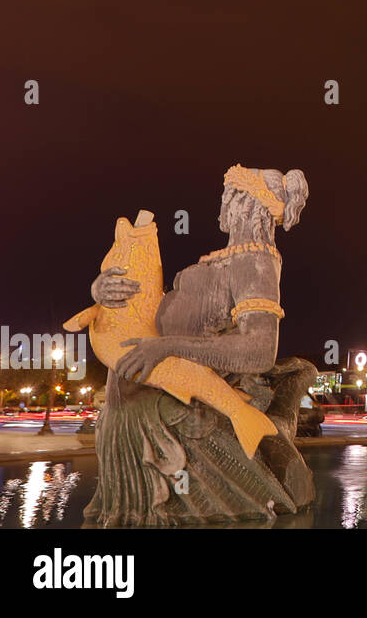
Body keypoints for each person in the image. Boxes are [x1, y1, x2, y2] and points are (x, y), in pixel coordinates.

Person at [84, 165, 317, 525]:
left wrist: (164, 348)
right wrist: (102, 291)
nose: (224, 204)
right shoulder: (228, 257)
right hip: (137, 402)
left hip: (171, 408)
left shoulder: (256, 260)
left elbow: (260, 350)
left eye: (231, 195)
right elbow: (161, 313)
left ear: (249, 202)